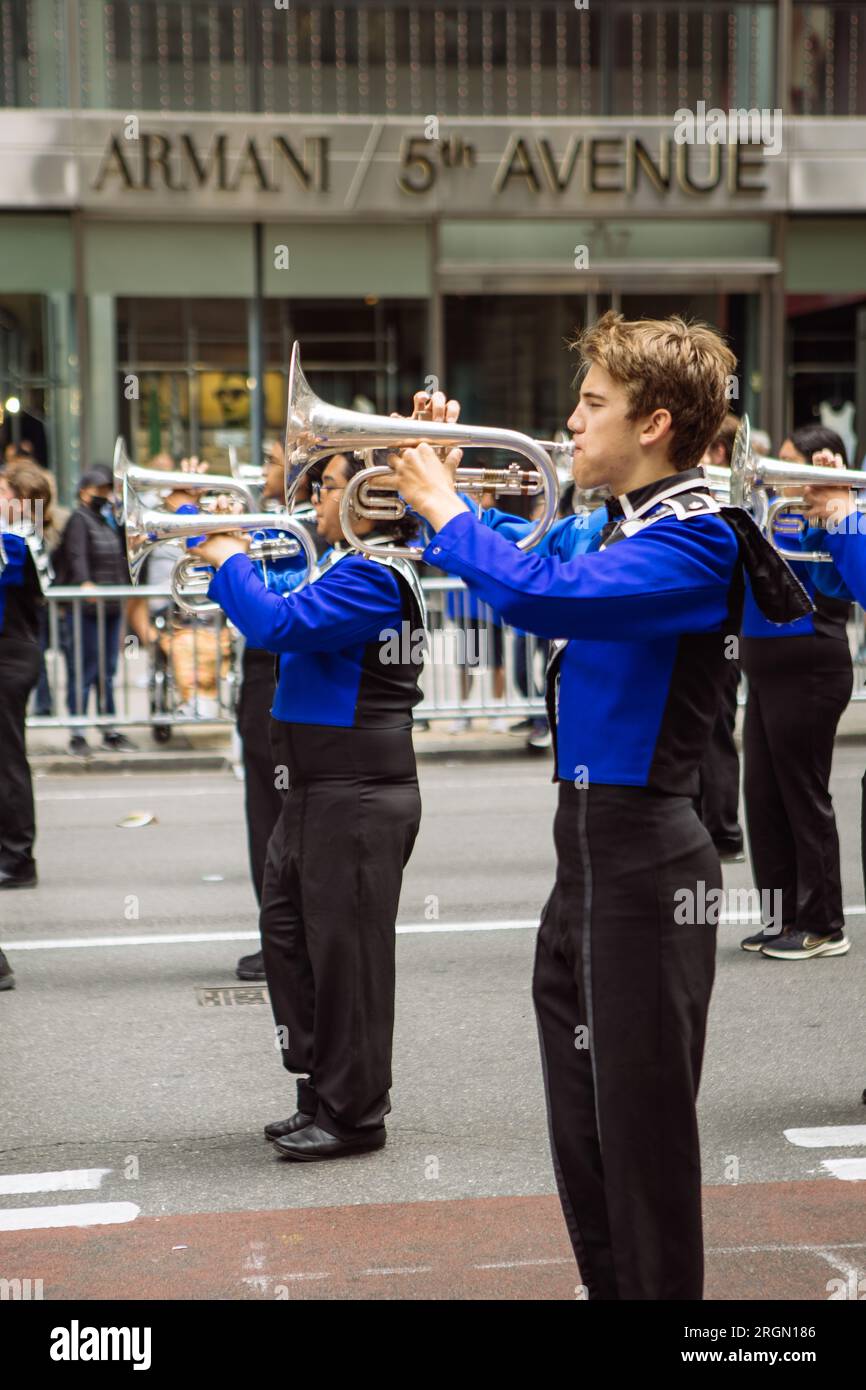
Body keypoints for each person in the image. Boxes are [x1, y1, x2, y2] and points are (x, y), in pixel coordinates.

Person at [388, 311, 810, 1299]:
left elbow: (544, 597)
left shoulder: (702, 536)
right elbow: (527, 558)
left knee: (644, 1148)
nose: (567, 424)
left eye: (590, 404)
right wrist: (442, 477)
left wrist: (447, 509)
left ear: (653, 423)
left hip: (645, 862)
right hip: (584, 858)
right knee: (583, 1136)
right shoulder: (623, 522)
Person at [194, 449, 426, 1161]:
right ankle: (318, 1091)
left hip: (354, 790)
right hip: (314, 788)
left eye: (324, 488)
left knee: (346, 958)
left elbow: (278, 628)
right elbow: (274, 611)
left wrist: (230, 559)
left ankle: (355, 1114)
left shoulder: (376, 575)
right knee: (293, 941)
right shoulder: (340, 567)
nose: (310, 502)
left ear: (364, 500)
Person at [738, 424, 853, 961]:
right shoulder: (770, 518)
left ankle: (825, 923)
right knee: (763, 800)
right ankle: (782, 917)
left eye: (789, 465)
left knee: (803, 798)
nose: (774, 475)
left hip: (810, 667)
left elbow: (833, 580)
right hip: (765, 673)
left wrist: (826, 509)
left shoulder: (823, 525)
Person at [54, 465, 135, 756]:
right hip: (88, 609)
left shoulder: (106, 520)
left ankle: (108, 728)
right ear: (84, 491)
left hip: (109, 607)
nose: (105, 494)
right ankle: (78, 732)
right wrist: (85, 583)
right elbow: (77, 554)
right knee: (84, 669)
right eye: (100, 489)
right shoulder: (79, 519)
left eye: (107, 489)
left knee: (107, 671)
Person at [0, 460, 53, 889]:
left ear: (19, 503)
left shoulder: (20, 540)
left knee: (8, 759)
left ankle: (18, 859)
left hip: (10, 657)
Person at [697, 413, 745, 861]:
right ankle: (703, 821)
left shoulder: (726, 503)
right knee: (700, 731)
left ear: (718, 454)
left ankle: (725, 832)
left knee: (715, 734)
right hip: (709, 632)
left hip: (719, 636)